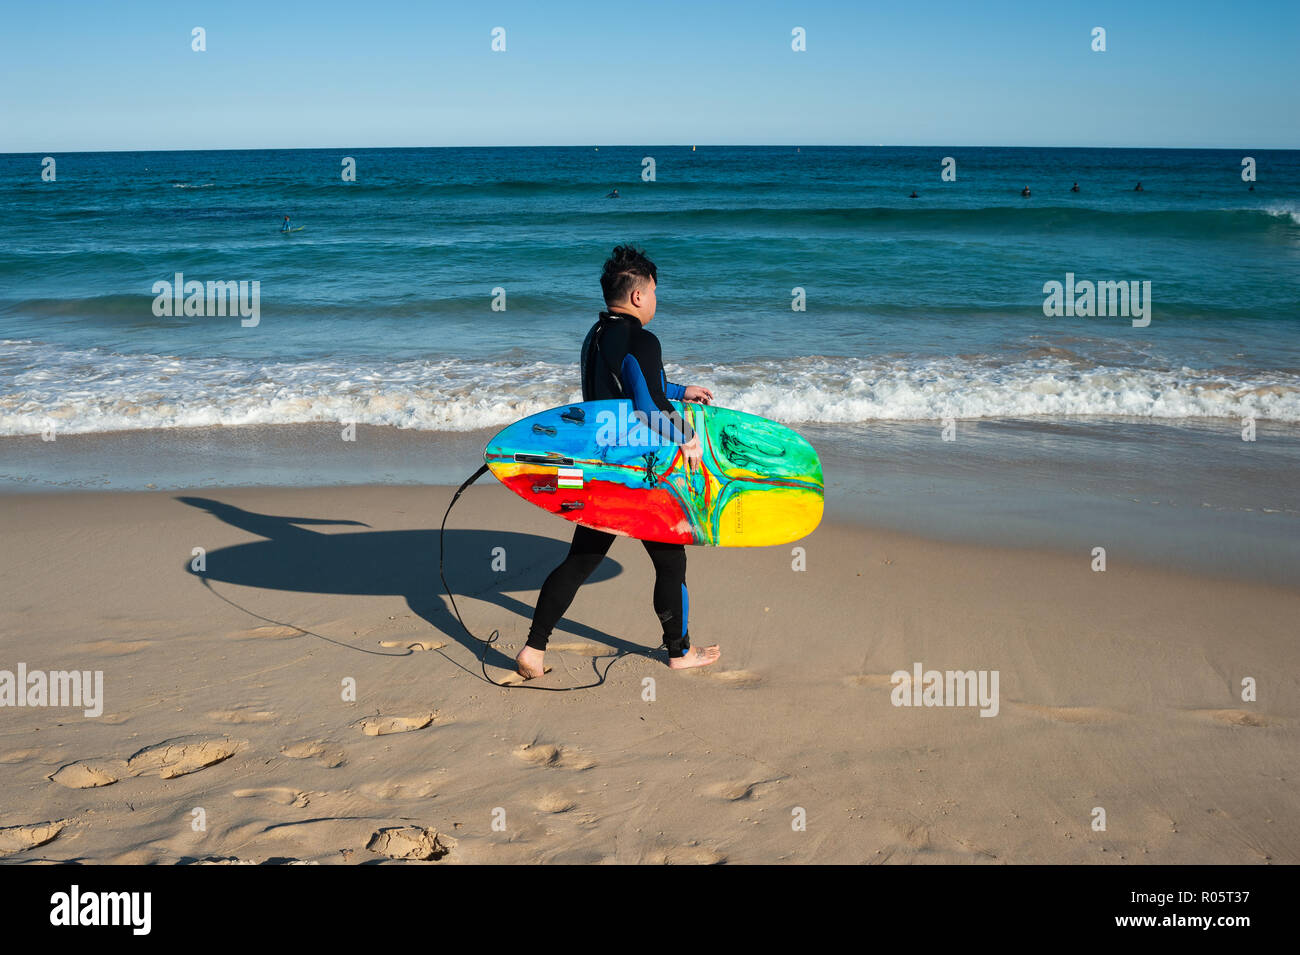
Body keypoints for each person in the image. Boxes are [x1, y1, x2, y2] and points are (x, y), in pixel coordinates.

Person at [516, 245, 721, 680]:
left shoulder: (595, 337)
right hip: (637, 473)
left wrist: (683, 390)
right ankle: (679, 652)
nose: (655, 302)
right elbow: (647, 404)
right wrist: (686, 437)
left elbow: (634, 382)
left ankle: (533, 650)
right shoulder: (643, 338)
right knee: (670, 562)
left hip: (594, 468)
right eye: (653, 292)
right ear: (637, 296)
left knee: (579, 560)